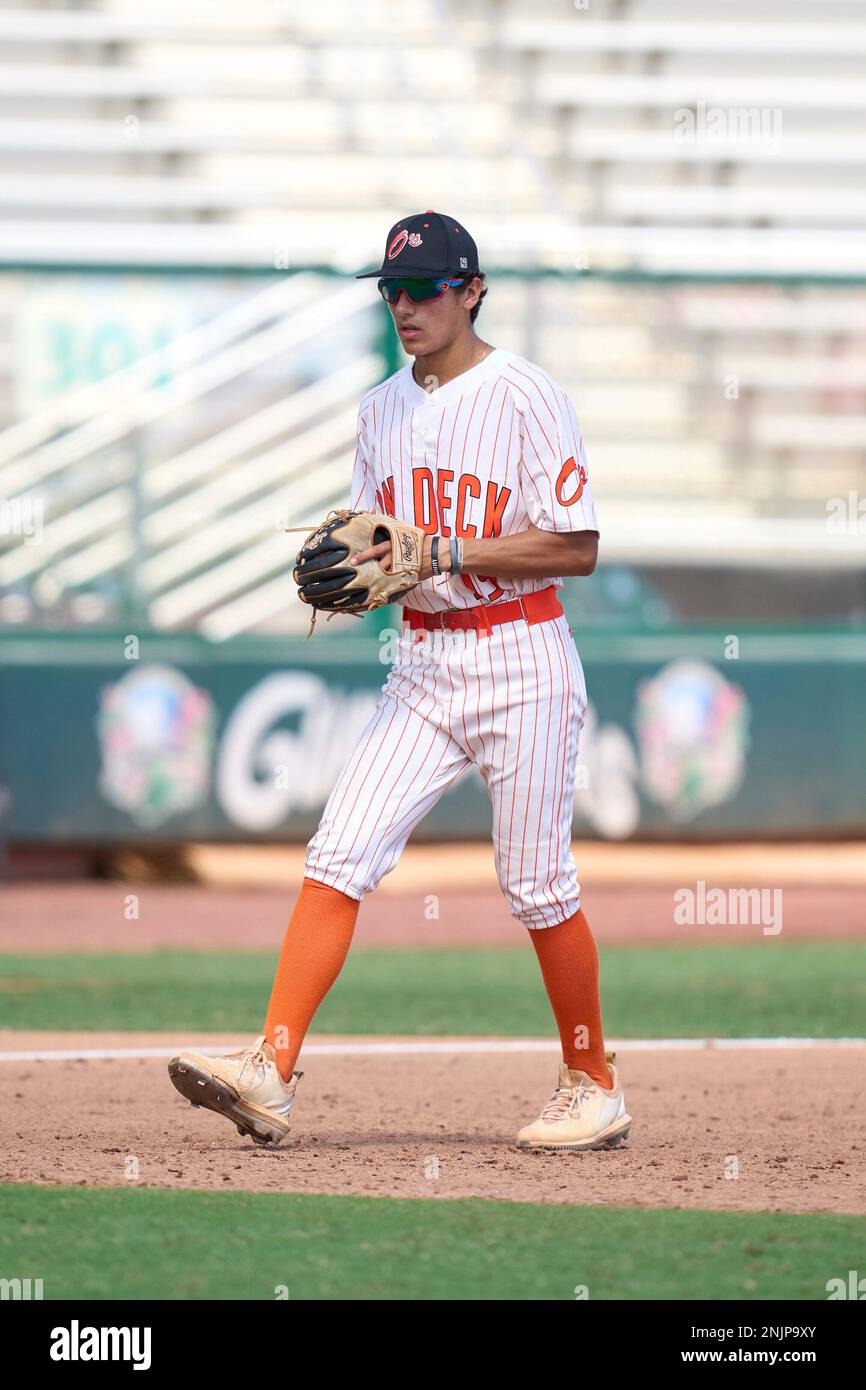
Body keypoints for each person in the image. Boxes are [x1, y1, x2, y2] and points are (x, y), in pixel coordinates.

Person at [169, 210, 631, 1153]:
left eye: (426, 288)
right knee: (338, 852)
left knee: (537, 882)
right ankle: (270, 1072)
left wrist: (448, 547)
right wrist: (368, 571)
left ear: (472, 291)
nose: (406, 305)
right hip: (422, 660)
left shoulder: (527, 395)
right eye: (392, 291)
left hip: (523, 652)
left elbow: (578, 547)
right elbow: (381, 549)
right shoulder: (380, 410)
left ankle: (592, 1083)